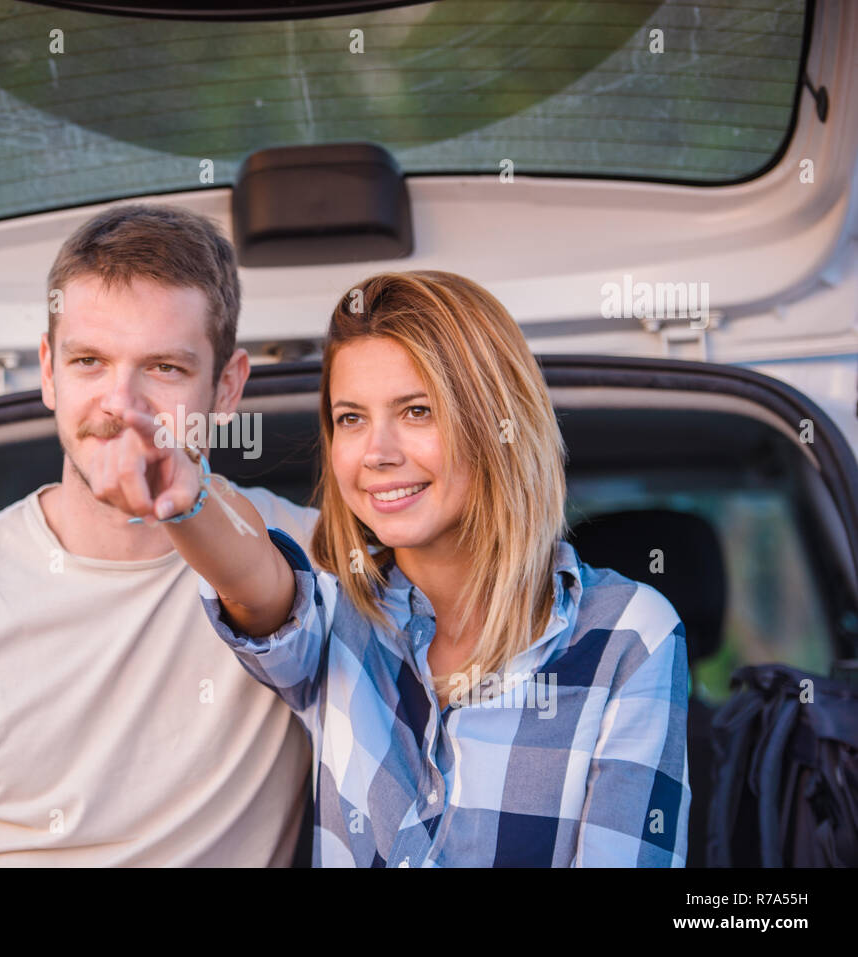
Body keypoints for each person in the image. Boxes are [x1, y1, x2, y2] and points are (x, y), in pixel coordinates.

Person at [91, 270, 692, 867]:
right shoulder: (337, 617)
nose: (377, 453)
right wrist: (188, 497)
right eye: (350, 418)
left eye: (417, 411)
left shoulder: (627, 634)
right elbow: (254, 576)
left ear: (495, 422)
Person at [0, 204, 317, 866]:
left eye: (164, 367)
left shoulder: (309, 551)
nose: (121, 404)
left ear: (226, 386)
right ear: (48, 370)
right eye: (90, 361)